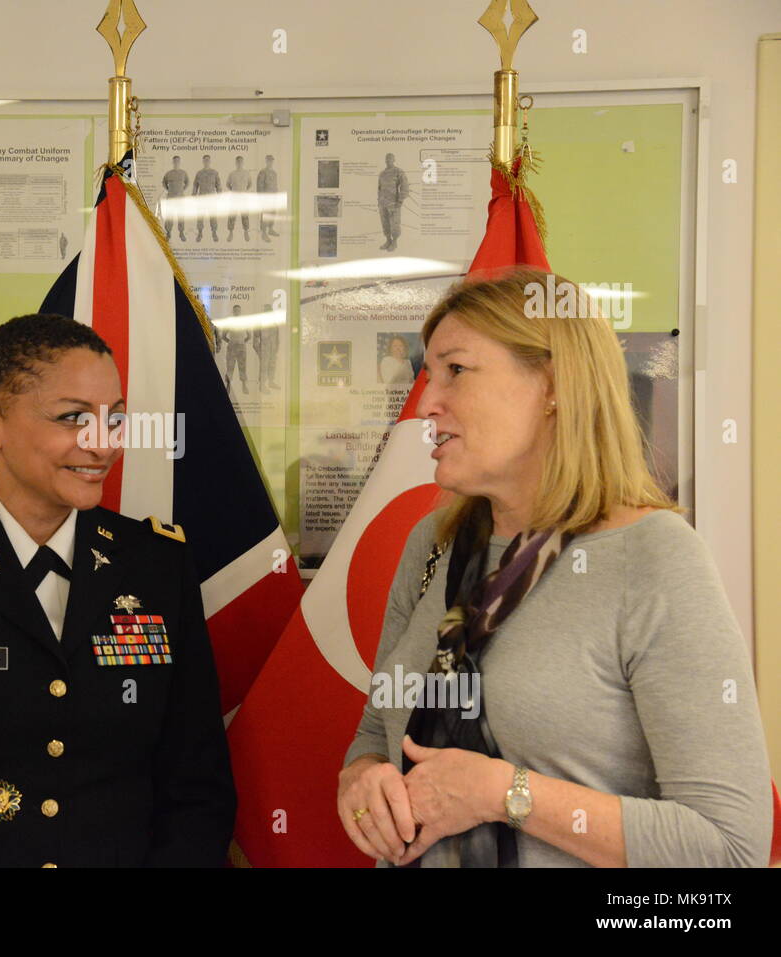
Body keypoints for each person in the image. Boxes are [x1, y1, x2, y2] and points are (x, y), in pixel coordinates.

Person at [337, 269, 771, 867]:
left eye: (455, 371)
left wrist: (501, 794)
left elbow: (729, 847)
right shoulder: (432, 544)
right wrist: (359, 780)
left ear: (553, 384)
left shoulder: (655, 558)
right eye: (426, 376)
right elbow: (373, 732)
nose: (427, 405)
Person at [0, 314, 236, 867]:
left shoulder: (156, 563)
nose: (102, 444)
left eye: (114, 420)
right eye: (73, 418)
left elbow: (196, 781)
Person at [377, 153, 409, 251]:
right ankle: (388, 241)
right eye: (387, 159)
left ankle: (394, 242)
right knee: (385, 223)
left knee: (394, 223)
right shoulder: (382, 173)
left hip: (393, 203)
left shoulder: (398, 172)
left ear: (394, 160)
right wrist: (379, 201)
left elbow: (405, 186)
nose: (388, 160)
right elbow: (379, 188)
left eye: (390, 159)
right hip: (383, 203)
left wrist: (400, 200)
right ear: (385, 160)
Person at [221, 304, 251, 395]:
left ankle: (244, 385)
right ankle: (228, 385)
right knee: (230, 367)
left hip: (241, 347)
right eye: (235, 310)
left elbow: (249, 336)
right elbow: (223, 336)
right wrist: (231, 342)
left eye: (238, 310)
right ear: (233, 312)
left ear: (240, 311)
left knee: (243, 367)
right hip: (232, 347)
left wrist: (242, 341)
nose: (237, 312)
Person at [192, 154, 222, 243]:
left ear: (210, 161)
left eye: (208, 160)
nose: (206, 162)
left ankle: (214, 233)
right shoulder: (199, 173)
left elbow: (218, 185)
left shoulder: (215, 173)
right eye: (205, 160)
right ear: (203, 162)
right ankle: (200, 233)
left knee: (213, 217)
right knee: (200, 217)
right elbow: (195, 185)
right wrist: (193, 195)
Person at [161, 155, 189, 242]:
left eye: (178, 161)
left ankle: (181, 233)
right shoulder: (168, 174)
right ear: (173, 162)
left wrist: (181, 190)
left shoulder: (183, 173)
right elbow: (164, 183)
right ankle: (168, 233)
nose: (176, 163)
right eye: (175, 161)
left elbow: (187, 183)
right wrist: (170, 191)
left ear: (179, 162)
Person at [226, 155, 252, 242]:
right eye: (238, 161)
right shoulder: (232, 174)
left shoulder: (247, 173)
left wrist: (243, 191)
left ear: (243, 162)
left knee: (245, 216)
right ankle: (230, 233)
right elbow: (227, 184)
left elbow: (250, 184)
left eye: (241, 161)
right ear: (235, 163)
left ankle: (246, 232)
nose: (239, 163)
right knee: (232, 216)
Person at [256, 154, 280, 241]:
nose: (270, 162)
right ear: (266, 161)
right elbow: (259, 186)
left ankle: (270, 229)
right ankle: (264, 233)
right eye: (269, 160)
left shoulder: (274, 173)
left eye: (272, 160)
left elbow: (275, 185)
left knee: (273, 213)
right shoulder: (262, 172)